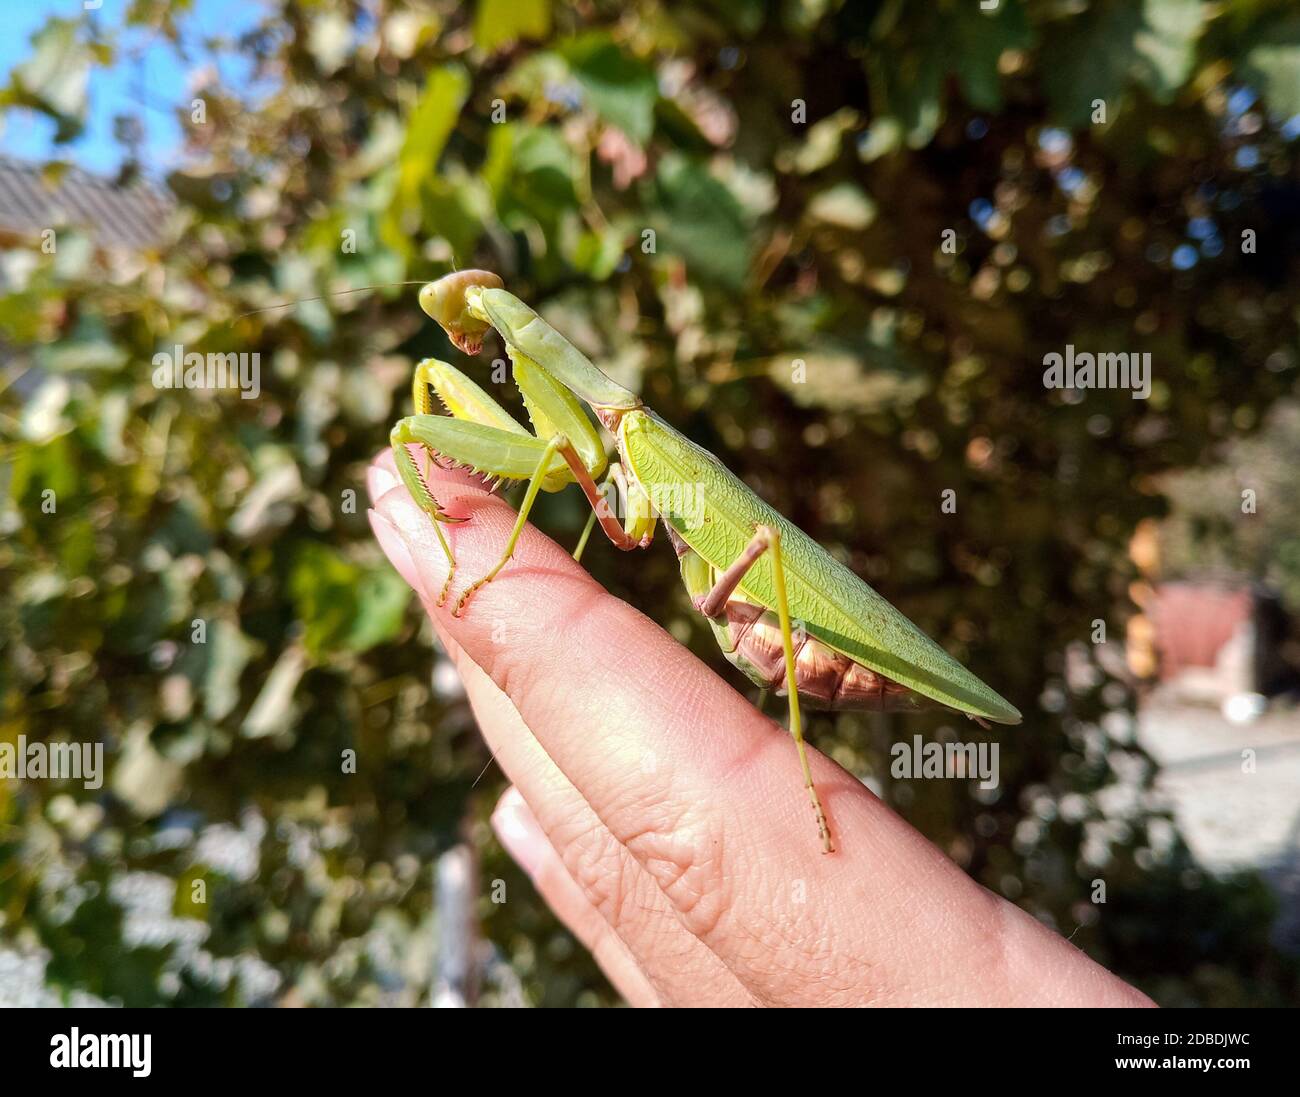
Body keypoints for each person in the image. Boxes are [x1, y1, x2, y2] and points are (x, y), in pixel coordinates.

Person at [368, 448, 1153, 1008]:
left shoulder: (631, 440)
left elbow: (581, 486)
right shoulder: (614, 446)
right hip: (755, 623)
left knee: (757, 538)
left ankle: (806, 763)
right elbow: (608, 511)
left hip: (782, 628)